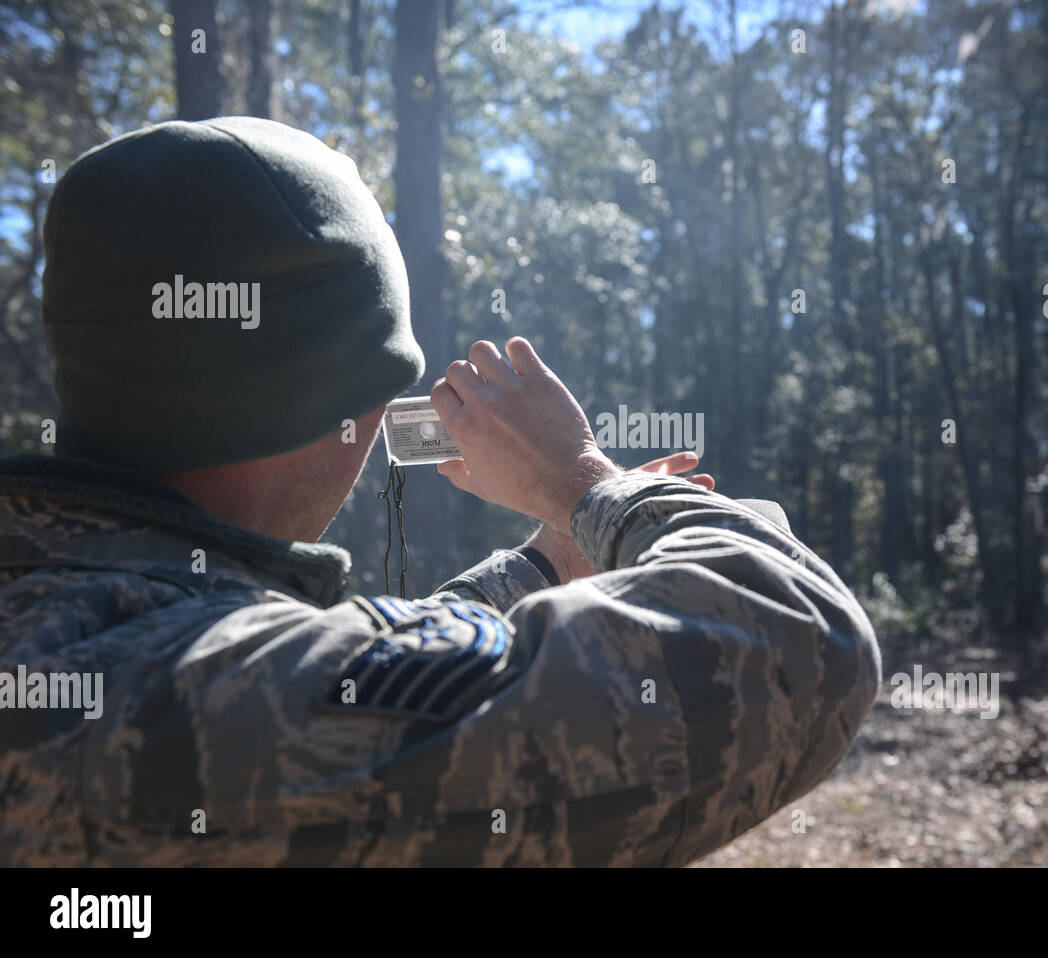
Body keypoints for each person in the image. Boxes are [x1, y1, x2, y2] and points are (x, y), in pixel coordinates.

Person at [0, 117, 880, 866]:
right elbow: (799, 643)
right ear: (328, 403)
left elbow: (359, 687)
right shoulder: (177, 693)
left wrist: (547, 563)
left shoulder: (76, 617)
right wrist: (586, 482)